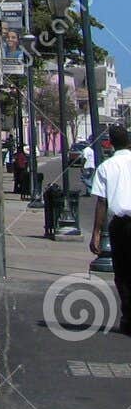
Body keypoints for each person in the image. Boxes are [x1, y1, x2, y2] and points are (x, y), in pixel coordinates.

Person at [88, 124, 131, 336]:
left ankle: (128, 317)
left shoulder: (106, 167)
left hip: (121, 225)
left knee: (122, 272)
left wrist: (96, 233)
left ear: (111, 143)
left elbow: (101, 203)